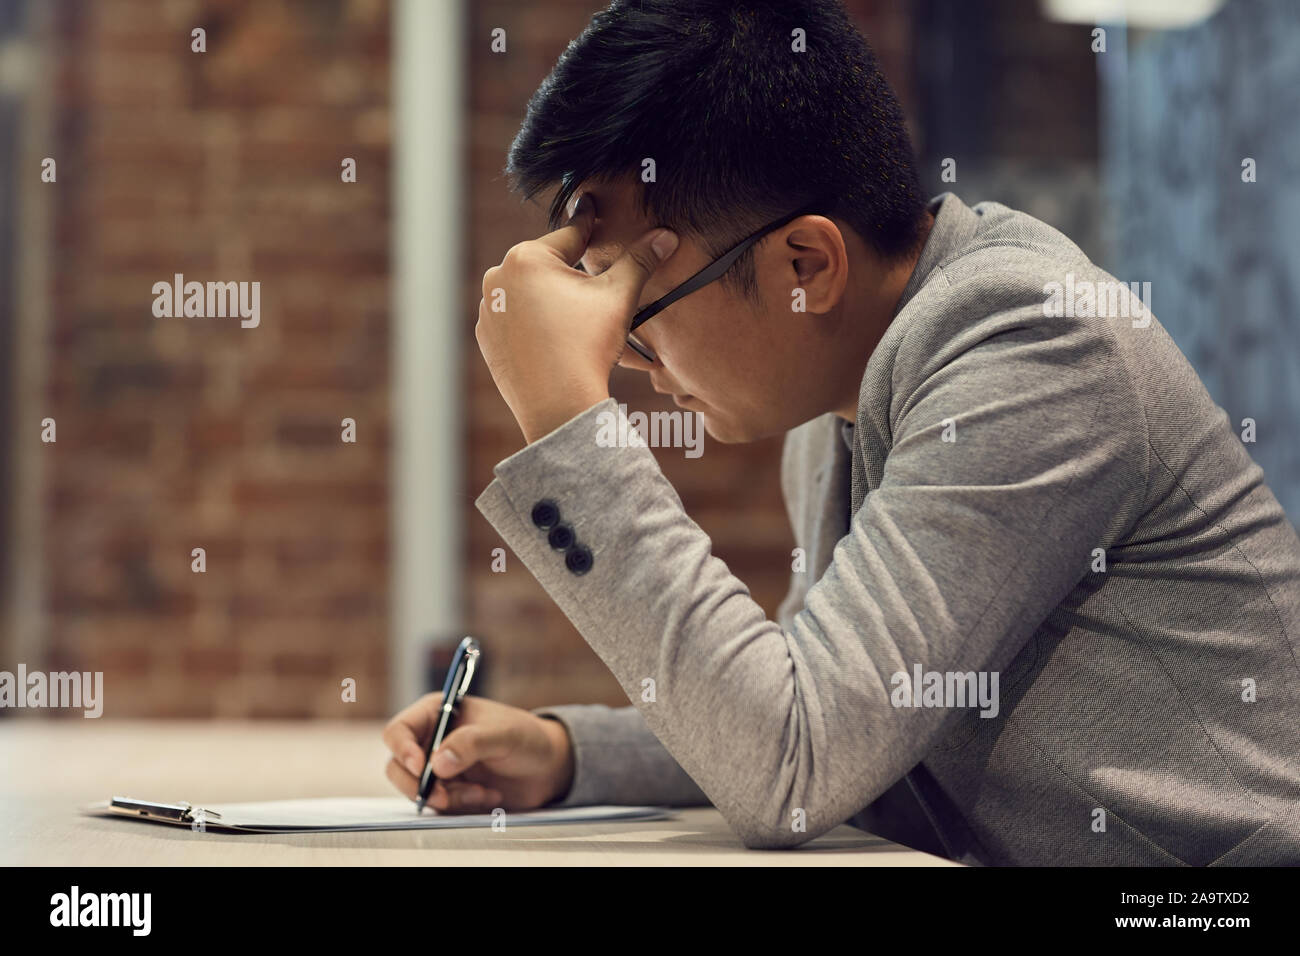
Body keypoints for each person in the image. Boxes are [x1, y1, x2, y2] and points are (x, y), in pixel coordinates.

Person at [383, 0, 1300, 865]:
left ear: (806, 265)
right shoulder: (851, 394)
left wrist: (567, 422)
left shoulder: (1033, 340)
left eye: (636, 303)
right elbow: (822, 704)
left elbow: (790, 764)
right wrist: (568, 752)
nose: (623, 357)